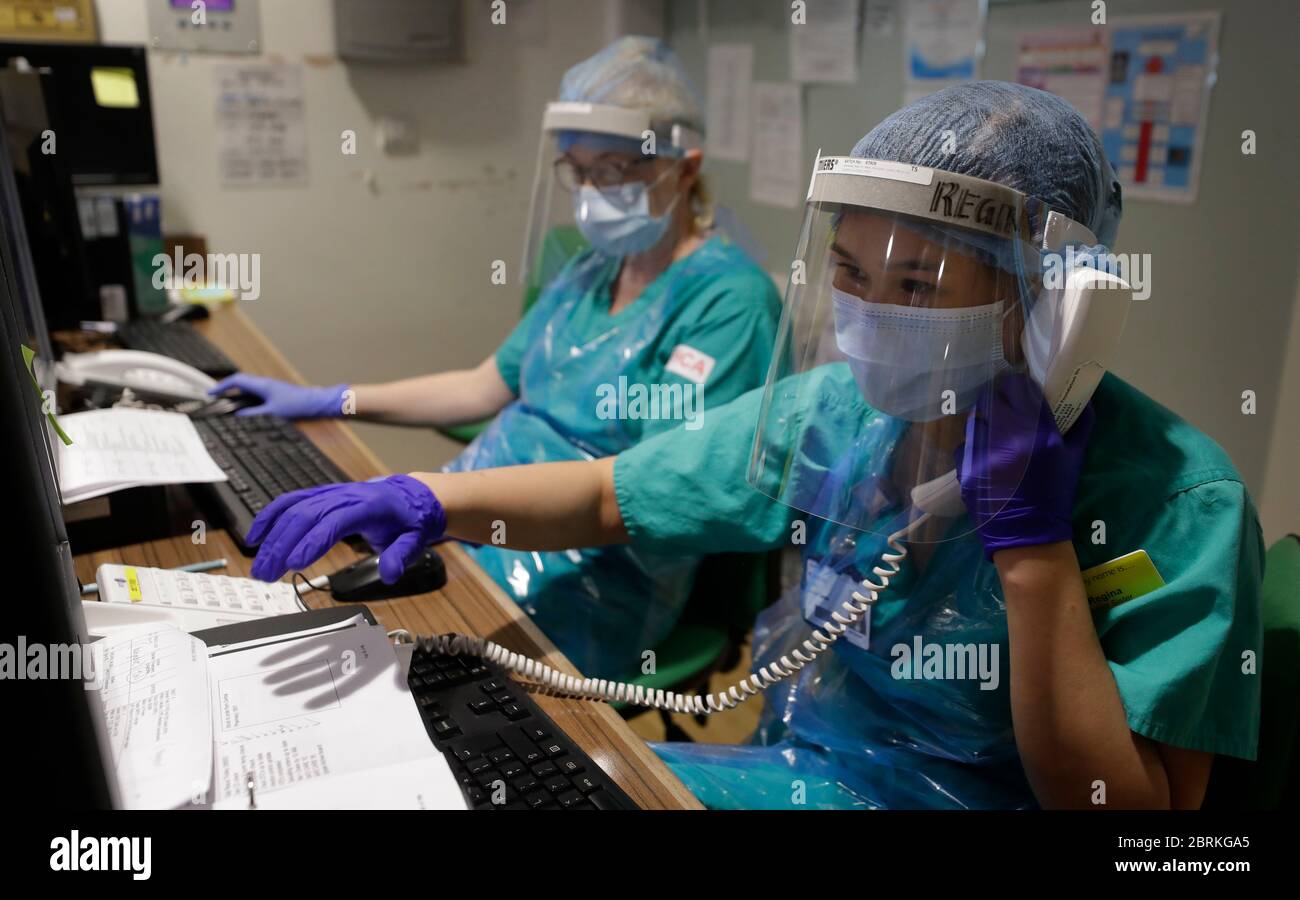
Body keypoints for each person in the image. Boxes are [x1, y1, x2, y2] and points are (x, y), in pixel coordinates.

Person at [244, 82, 1262, 809]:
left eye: (914, 287)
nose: (866, 315)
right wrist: (434, 500)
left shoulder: (1176, 501)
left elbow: (1124, 815)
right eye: (852, 274)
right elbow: (612, 495)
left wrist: (1034, 554)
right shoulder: (840, 413)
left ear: (1056, 309)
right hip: (793, 771)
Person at [219, 37, 782, 679]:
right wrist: (334, 398)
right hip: (473, 522)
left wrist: (450, 504)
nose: (593, 191)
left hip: (593, 578)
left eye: (616, 171)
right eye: (579, 169)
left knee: (401, 680)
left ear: (683, 169)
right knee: (312, 629)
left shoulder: (730, 303)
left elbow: (643, 500)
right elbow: (484, 386)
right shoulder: (593, 269)